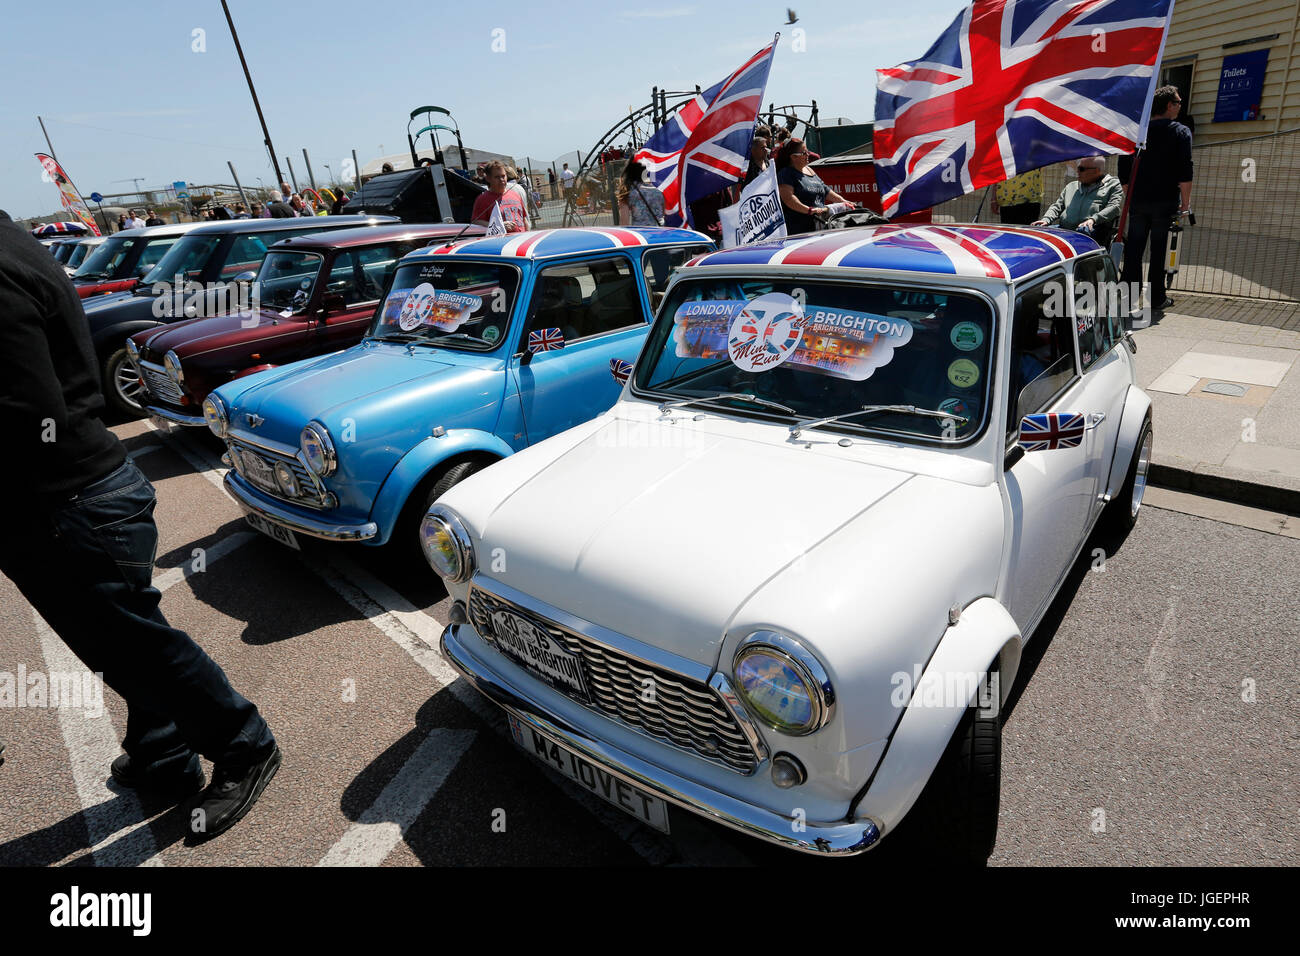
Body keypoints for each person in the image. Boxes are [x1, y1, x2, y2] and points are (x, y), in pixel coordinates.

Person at [0, 214, 280, 842]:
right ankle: (162, 750)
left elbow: (25, 412)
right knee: (121, 639)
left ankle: (244, 744)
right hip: (69, 495)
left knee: (131, 643)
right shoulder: (11, 238)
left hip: (65, 499)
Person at [1118, 85, 1193, 311]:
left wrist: (1129, 195)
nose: (1180, 106)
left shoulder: (1137, 132)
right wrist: (1185, 204)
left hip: (1139, 200)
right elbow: (1185, 171)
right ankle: (1156, 299)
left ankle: (1128, 299)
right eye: (1178, 102)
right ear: (1169, 105)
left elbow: (1124, 168)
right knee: (1159, 251)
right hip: (1165, 200)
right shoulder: (1180, 132)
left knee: (1134, 251)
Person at [1033, 156, 1124, 246]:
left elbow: (1114, 207)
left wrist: (1093, 219)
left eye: (1081, 169)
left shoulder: (1113, 186)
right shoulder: (1071, 186)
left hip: (1091, 231)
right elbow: (1057, 206)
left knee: (1083, 231)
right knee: (1038, 231)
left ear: (1096, 171)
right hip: (1064, 229)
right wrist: (1046, 219)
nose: (1077, 171)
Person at [776, 137, 850, 235]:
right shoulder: (785, 173)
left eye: (808, 151)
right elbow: (789, 199)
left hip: (820, 226)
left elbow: (826, 190)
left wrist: (844, 202)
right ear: (793, 157)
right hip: (799, 231)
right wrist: (809, 210)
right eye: (804, 153)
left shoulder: (809, 170)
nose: (808, 155)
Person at [471, 160, 528, 232]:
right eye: (497, 177)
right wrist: (499, 225)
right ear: (488, 178)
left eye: (503, 176)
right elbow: (476, 222)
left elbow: (524, 219)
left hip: (520, 240)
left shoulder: (515, 194)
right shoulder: (482, 199)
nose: (502, 180)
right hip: (502, 242)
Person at [618, 161, 665, 226]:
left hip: (640, 233)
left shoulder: (627, 191)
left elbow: (624, 222)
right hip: (660, 232)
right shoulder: (659, 188)